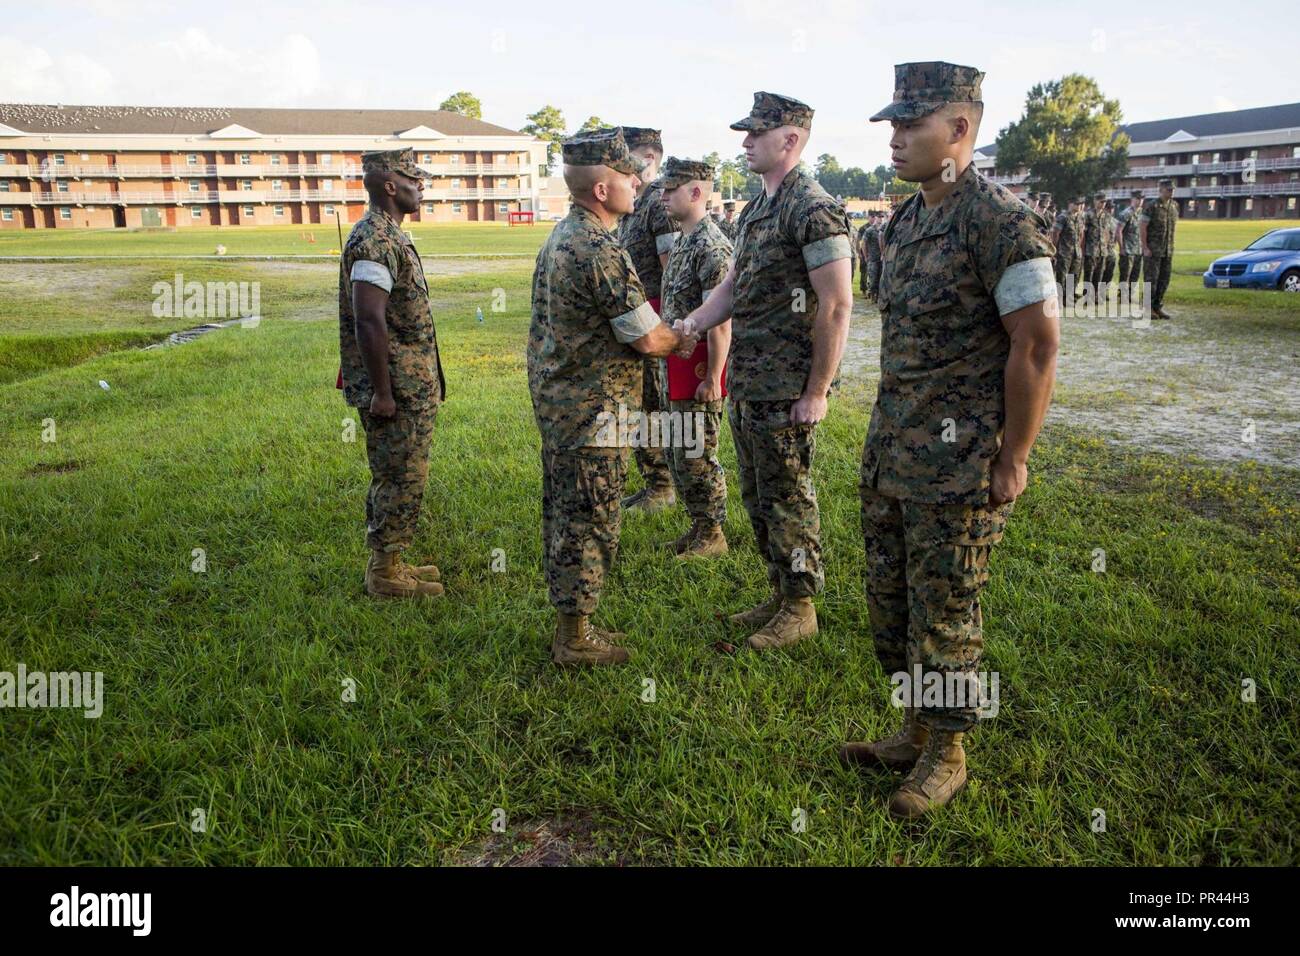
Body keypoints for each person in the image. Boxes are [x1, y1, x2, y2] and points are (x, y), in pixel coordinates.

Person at [844, 61, 1060, 819]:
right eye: (893, 124)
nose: (895, 139)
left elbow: (1036, 344)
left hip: (958, 465)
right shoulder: (904, 222)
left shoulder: (1002, 223)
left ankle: (948, 752)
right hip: (893, 452)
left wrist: (1014, 457)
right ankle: (913, 730)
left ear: (959, 128)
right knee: (892, 607)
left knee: (945, 613)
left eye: (912, 124)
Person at [676, 91, 854, 651]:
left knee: (788, 499)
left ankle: (801, 608)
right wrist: (693, 322)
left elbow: (837, 304)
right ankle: (779, 592)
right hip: (751, 381)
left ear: (791, 139)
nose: (747, 142)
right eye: (746, 133)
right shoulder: (758, 209)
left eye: (757, 133)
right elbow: (733, 287)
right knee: (757, 497)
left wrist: (817, 391)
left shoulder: (813, 208)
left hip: (787, 388)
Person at [528, 128, 698, 666]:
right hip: (595, 411)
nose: (639, 183)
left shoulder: (564, 235)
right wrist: (681, 336)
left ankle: (572, 622)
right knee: (590, 519)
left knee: (568, 512)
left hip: (564, 404)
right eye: (629, 176)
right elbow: (646, 337)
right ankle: (574, 638)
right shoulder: (598, 248)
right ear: (602, 190)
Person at [339, 148, 446, 600]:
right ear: (389, 185)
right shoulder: (375, 240)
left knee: (403, 472)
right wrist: (382, 392)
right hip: (396, 388)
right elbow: (368, 320)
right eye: (413, 180)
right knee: (398, 476)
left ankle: (391, 560)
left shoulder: (389, 234)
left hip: (408, 383)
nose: (421, 188)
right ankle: (385, 574)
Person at [658, 157, 734, 559]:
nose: (663, 196)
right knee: (679, 451)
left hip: (700, 369)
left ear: (696, 192)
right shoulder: (684, 240)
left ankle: (713, 533)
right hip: (678, 366)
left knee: (697, 453)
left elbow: (721, 322)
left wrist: (713, 379)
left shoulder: (712, 247)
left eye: (671, 189)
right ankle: (699, 525)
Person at [616, 126, 682, 512]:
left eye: (627, 156)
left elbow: (672, 270)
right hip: (638, 319)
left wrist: (664, 328)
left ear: (649, 158)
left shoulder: (658, 203)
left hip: (655, 319)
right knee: (642, 405)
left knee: (655, 406)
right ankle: (653, 481)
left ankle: (664, 486)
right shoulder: (634, 205)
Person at [1140, 179, 1179, 319]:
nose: (1171, 192)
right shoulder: (1152, 206)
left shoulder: (1174, 206)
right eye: (1169, 189)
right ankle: (1147, 308)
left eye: (1172, 189)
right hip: (1153, 250)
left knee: (1164, 280)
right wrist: (1145, 247)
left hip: (1167, 250)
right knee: (1151, 280)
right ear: (1161, 190)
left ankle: (1157, 307)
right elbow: (1143, 227)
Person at [1115, 189, 1145, 291]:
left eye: (1142, 199)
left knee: (1135, 275)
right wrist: (1121, 248)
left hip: (1138, 250)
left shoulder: (1142, 213)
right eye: (1138, 198)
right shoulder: (1126, 214)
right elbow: (1118, 231)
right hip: (1128, 250)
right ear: (1132, 199)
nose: (1140, 201)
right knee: (1125, 276)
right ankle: (1123, 295)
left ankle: (1131, 295)